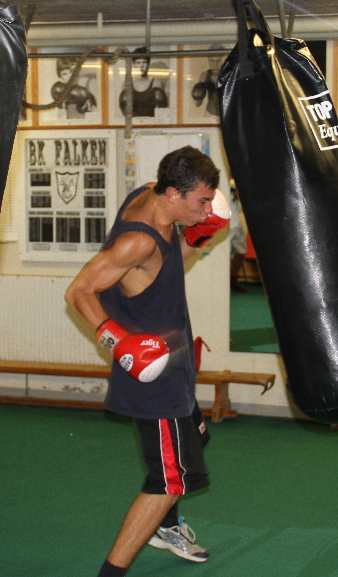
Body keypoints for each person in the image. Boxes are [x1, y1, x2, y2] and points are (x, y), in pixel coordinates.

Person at [65, 146, 228, 577]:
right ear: (173, 193)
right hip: (153, 374)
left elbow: (174, 260)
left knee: (194, 441)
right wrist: (119, 343)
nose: (207, 208)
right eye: (201, 202)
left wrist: (204, 231)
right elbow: (79, 291)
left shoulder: (153, 198)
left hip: (175, 362)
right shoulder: (138, 239)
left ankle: (166, 526)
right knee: (171, 480)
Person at [119, 47, 168, 118]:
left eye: (144, 62)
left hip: (153, 122)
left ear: (148, 64)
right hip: (133, 122)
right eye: (138, 63)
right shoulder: (128, 83)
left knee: (158, 93)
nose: (141, 66)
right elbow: (124, 108)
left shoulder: (156, 82)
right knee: (125, 94)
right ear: (134, 65)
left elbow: (162, 110)